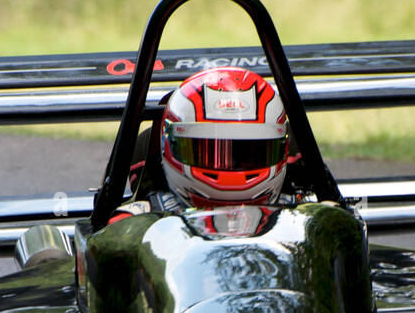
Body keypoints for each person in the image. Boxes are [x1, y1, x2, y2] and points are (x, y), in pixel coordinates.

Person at [109, 66, 292, 225]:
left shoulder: (303, 214)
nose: (229, 171)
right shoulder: (134, 222)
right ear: (168, 146)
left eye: (249, 154)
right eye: (209, 153)